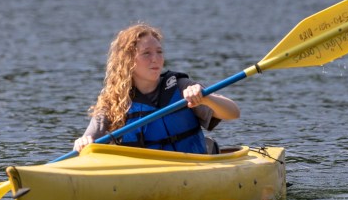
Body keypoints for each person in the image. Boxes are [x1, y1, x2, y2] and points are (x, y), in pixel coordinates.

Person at [73, 22, 239, 155]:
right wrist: (83, 142)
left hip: (194, 168)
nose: (156, 59)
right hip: (145, 175)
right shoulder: (113, 100)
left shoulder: (181, 87)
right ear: (128, 60)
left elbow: (233, 113)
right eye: (147, 53)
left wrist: (206, 98)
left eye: (159, 52)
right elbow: (88, 139)